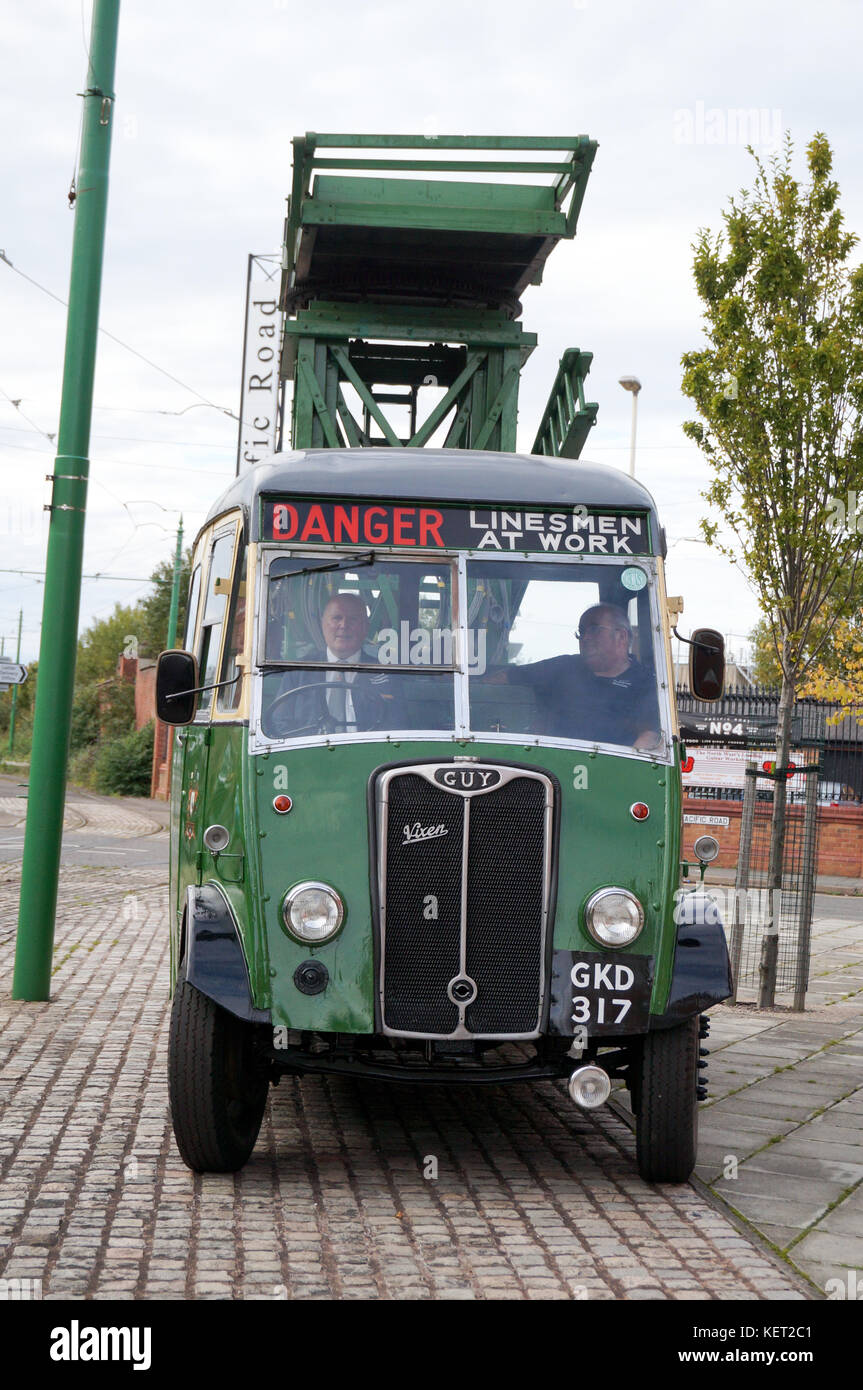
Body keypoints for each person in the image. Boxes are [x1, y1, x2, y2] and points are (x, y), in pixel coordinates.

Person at [502, 603, 661, 748]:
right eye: (581, 632)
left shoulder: (646, 683)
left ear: (621, 636)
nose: (585, 638)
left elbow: (649, 736)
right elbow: (506, 677)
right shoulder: (562, 667)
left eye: (594, 629)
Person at [265, 592, 398, 735]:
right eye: (336, 618)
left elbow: (397, 727)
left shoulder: (385, 674)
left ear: (366, 627)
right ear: (323, 624)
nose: (344, 625)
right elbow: (279, 724)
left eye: (353, 619)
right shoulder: (298, 672)